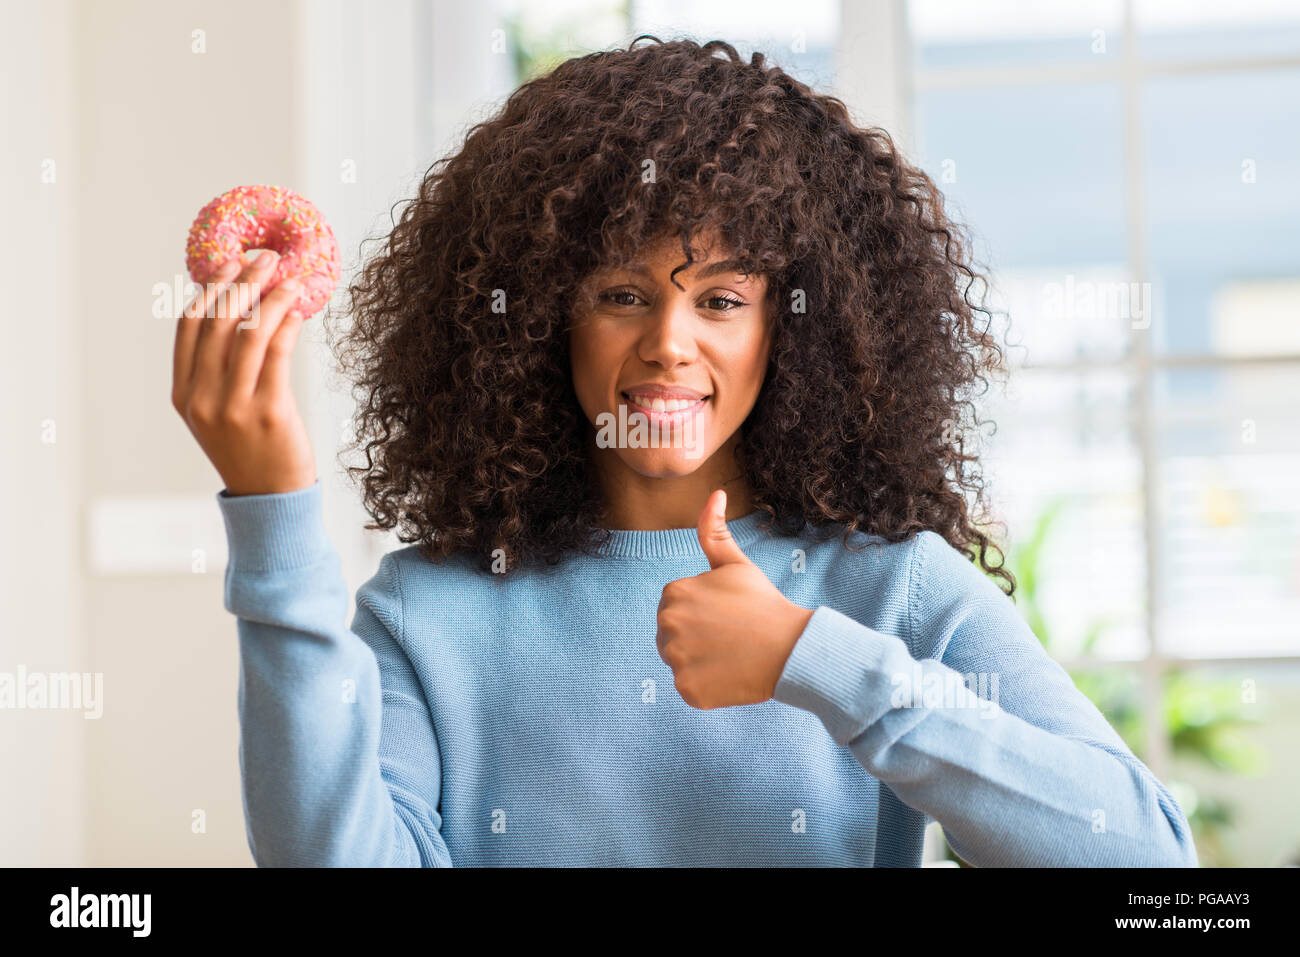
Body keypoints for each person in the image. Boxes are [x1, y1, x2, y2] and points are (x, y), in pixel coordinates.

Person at [170, 37, 1197, 867]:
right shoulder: (428, 611)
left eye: (720, 300)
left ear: (789, 332)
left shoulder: (892, 591)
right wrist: (272, 521)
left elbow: (1144, 862)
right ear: (541, 321)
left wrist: (816, 661)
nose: (668, 341)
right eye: (621, 294)